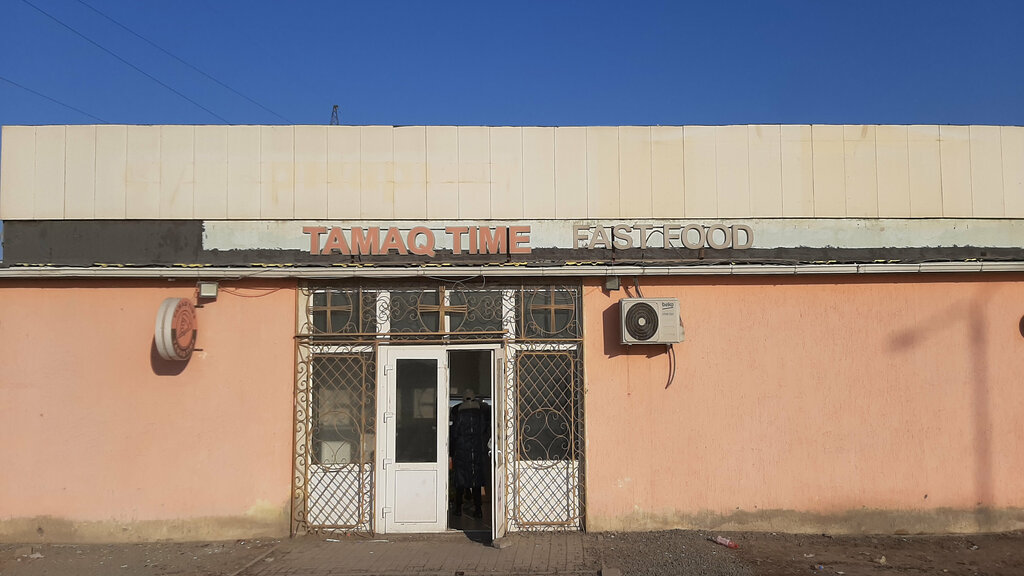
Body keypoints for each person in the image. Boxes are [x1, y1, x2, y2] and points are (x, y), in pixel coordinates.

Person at [449, 388, 490, 518]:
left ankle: (458, 509)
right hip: (477, 449)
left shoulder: (457, 411)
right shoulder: (482, 411)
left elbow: (454, 433)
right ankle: (478, 510)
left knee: (460, 481)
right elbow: (486, 431)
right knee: (476, 481)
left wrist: (451, 451)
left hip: (461, 450)